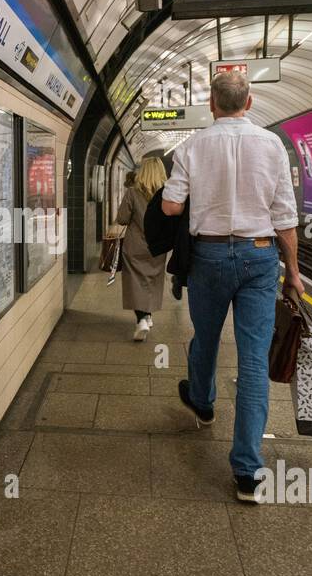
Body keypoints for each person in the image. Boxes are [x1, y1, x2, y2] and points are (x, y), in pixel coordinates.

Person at [161, 70, 301, 504]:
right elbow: (285, 218)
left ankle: (202, 401)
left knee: (206, 337)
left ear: (211, 105)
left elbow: (170, 206)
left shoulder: (192, 146)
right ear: (250, 102)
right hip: (261, 257)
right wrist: (293, 273)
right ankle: (246, 471)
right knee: (254, 360)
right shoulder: (273, 144)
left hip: (210, 256)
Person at [115, 155, 170, 341]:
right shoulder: (168, 192)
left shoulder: (132, 192)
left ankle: (141, 320)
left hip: (135, 245)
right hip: (158, 246)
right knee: (152, 281)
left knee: (135, 282)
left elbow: (122, 218)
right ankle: (148, 316)